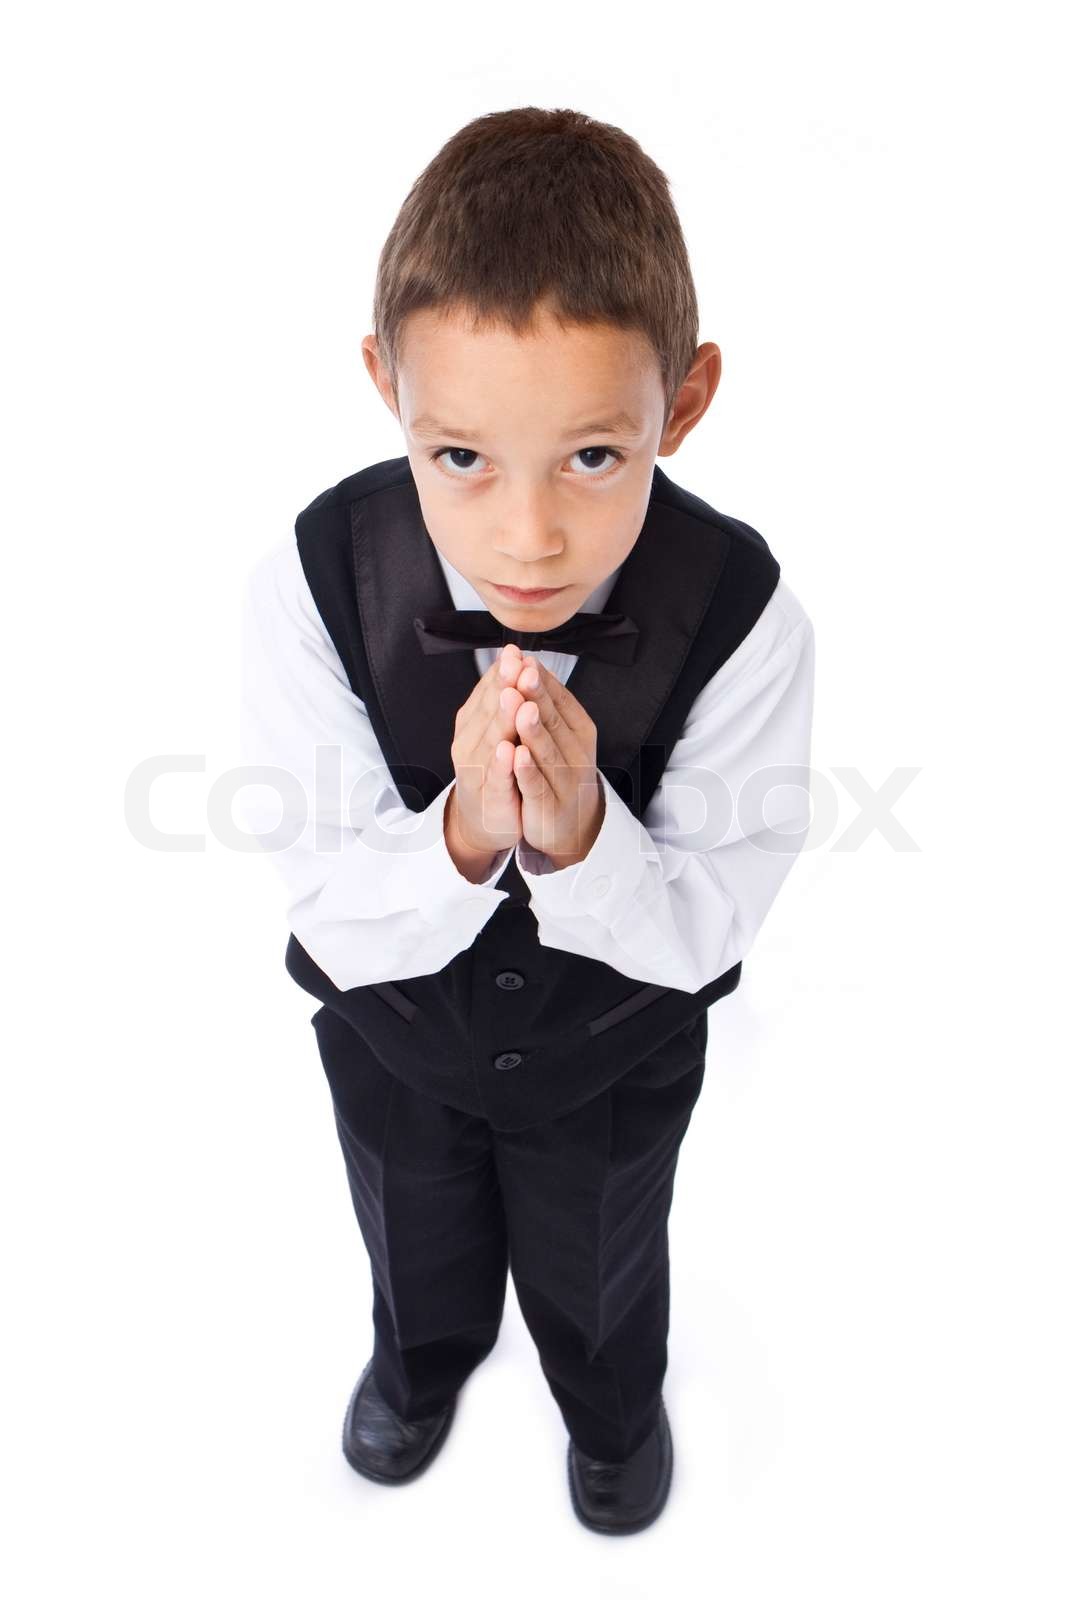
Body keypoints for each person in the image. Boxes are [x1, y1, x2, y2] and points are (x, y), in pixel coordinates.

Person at [240, 105, 815, 1535]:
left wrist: (580, 841)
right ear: (387, 389)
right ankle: (419, 1368)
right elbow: (325, 896)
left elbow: (711, 918)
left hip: (612, 1056)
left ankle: (612, 1418)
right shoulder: (315, 577)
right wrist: (455, 835)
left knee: (605, 1254)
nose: (529, 535)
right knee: (406, 1224)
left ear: (684, 403)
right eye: (462, 458)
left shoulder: (745, 616)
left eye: (594, 457)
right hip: (396, 1037)